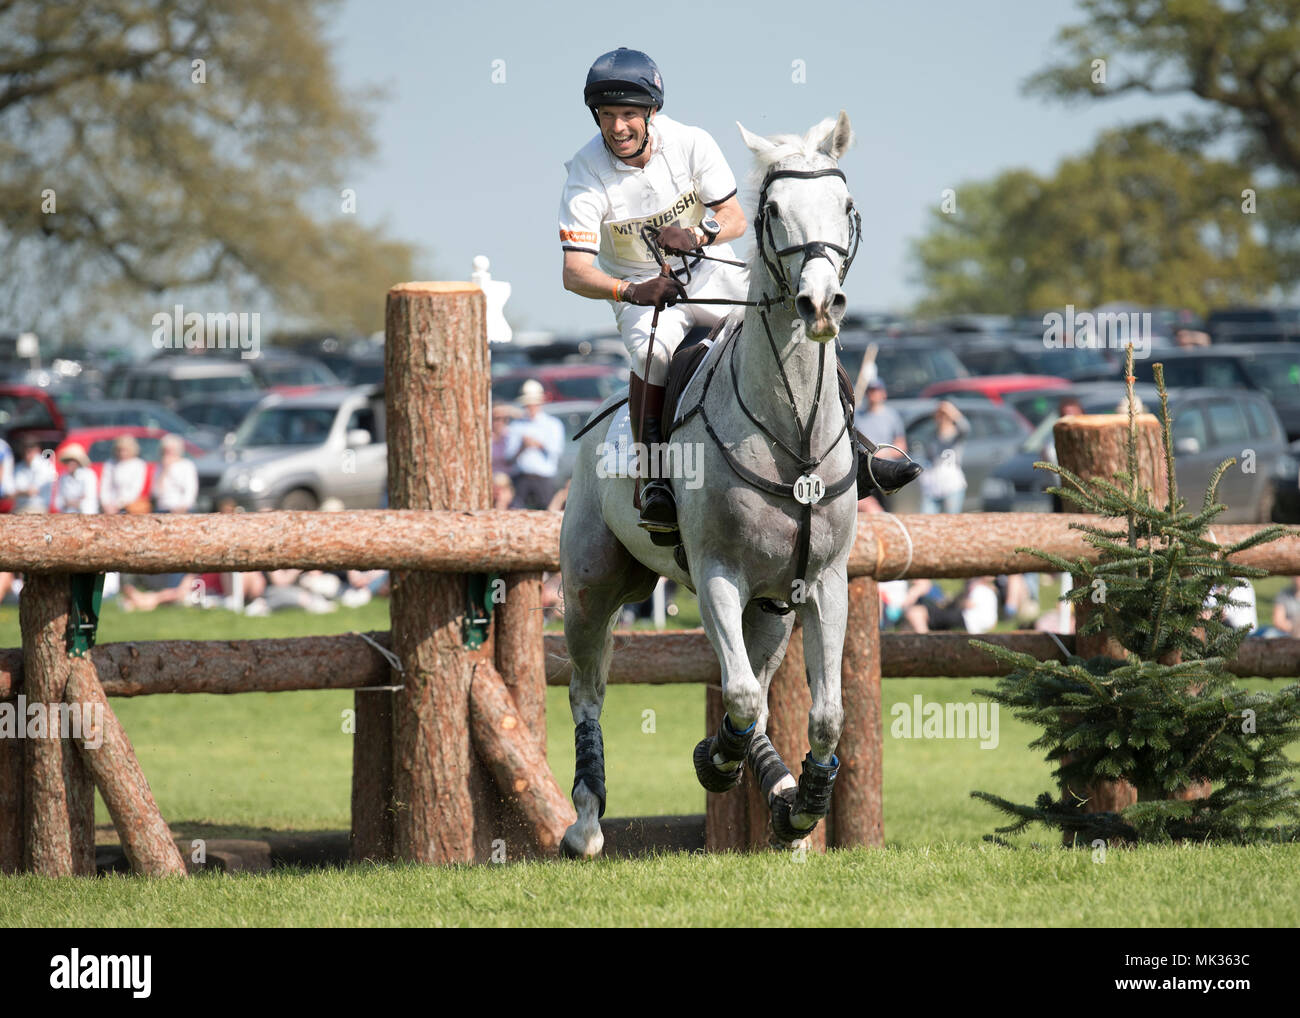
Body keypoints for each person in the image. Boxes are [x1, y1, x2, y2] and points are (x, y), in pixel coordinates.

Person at [560, 48, 918, 537]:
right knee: (655, 354)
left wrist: (700, 234)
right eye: (607, 116)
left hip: (709, 272)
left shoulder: (691, 143)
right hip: (646, 294)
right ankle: (656, 478)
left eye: (627, 115)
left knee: (793, 319)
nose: (617, 127)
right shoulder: (585, 173)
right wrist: (631, 289)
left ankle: (855, 447)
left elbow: (732, 218)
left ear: (650, 113)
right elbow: (575, 272)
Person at [505, 380, 564, 509]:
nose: (531, 408)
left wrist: (538, 444)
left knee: (547, 511)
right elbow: (509, 457)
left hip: (543, 477)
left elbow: (556, 450)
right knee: (516, 511)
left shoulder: (552, 424)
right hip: (522, 477)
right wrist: (522, 446)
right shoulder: (516, 426)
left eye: (534, 404)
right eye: (528, 404)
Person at [855, 380, 908, 509]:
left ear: (883, 394)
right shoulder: (857, 416)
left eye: (877, 391)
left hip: (885, 470)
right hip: (863, 471)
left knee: (885, 509)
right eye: (871, 391)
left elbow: (902, 446)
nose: (874, 394)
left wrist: (884, 453)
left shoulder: (891, 416)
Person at [917, 401, 970, 514]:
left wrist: (951, 411)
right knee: (927, 519)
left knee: (951, 520)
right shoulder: (931, 436)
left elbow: (966, 427)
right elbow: (928, 460)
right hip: (934, 486)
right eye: (940, 416)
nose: (942, 419)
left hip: (952, 485)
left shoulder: (956, 436)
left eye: (945, 416)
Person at [99, 434, 149, 514]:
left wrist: (118, 505)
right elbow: (105, 486)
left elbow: (135, 490)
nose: (122, 453)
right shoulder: (110, 463)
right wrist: (106, 504)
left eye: (125, 450)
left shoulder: (139, 464)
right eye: (120, 450)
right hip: (109, 507)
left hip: (130, 507)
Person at [151, 433, 198, 513]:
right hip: (163, 508)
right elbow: (156, 493)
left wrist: (182, 507)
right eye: (165, 451)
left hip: (183, 509)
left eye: (171, 450)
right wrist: (164, 471)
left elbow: (190, 490)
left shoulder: (186, 465)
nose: (168, 454)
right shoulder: (160, 467)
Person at [53, 444, 99, 514]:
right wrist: (69, 503)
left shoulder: (89, 475)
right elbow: (58, 501)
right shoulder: (63, 477)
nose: (70, 463)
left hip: (86, 515)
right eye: (68, 461)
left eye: (73, 461)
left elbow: (90, 499)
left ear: (78, 462)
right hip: (67, 514)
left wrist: (72, 503)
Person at [13, 439, 56, 513]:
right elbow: (10, 491)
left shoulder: (45, 465)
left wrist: (18, 492)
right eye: (24, 452)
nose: (26, 455)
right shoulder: (18, 467)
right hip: (19, 508)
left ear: (37, 450)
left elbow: (33, 491)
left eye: (29, 451)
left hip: (38, 508)